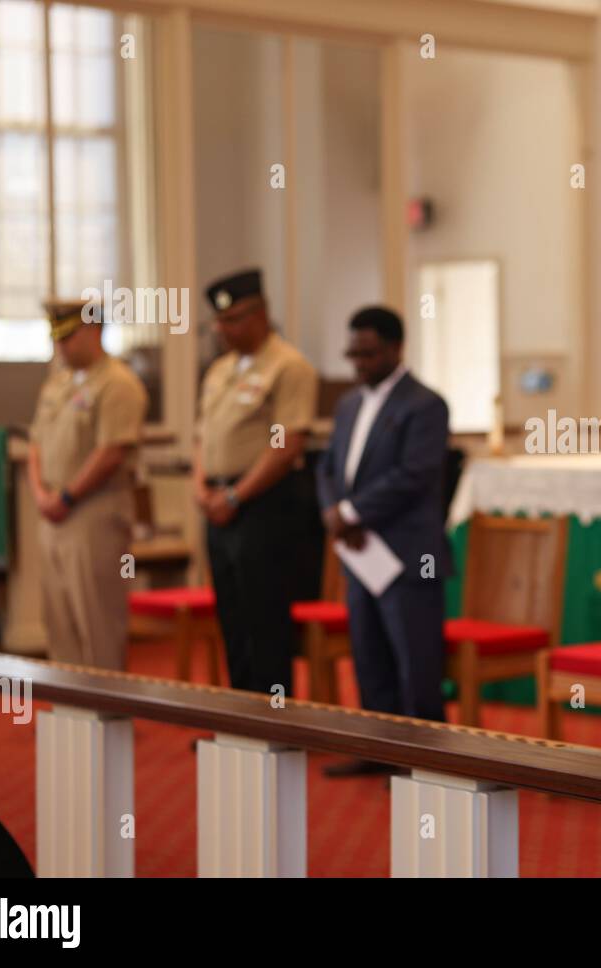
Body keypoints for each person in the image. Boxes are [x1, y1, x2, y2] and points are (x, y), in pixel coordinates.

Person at [316, 306, 450, 776]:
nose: (359, 363)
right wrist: (333, 511)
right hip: (359, 552)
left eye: (369, 353)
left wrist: (351, 513)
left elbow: (414, 475)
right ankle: (379, 751)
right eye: (353, 353)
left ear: (396, 348)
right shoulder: (349, 404)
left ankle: (425, 762)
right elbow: (328, 466)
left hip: (408, 554)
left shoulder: (425, 404)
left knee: (415, 663)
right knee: (369, 655)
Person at [195, 269, 317, 694]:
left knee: (265, 618)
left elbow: (287, 443)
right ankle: (239, 718)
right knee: (232, 614)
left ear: (261, 314)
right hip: (218, 504)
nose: (222, 330)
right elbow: (204, 437)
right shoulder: (219, 370)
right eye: (219, 321)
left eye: (232, 321)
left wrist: (234, 495)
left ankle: (270, 719)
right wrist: (202, 490)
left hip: (263, 506)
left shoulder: (288, 366)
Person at [28, 297, 147, 670]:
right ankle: (69, 722)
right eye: (55, 337)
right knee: (58, 624)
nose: (59, 345)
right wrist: (41, 495)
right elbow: (35, 443)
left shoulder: (118, 383)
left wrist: (65, 496)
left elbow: (111, 451)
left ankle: (107, 720)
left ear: (94, 330)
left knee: (98, 624)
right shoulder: (57, 383)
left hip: (94, 514)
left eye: (68, 336)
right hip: (53, 515)